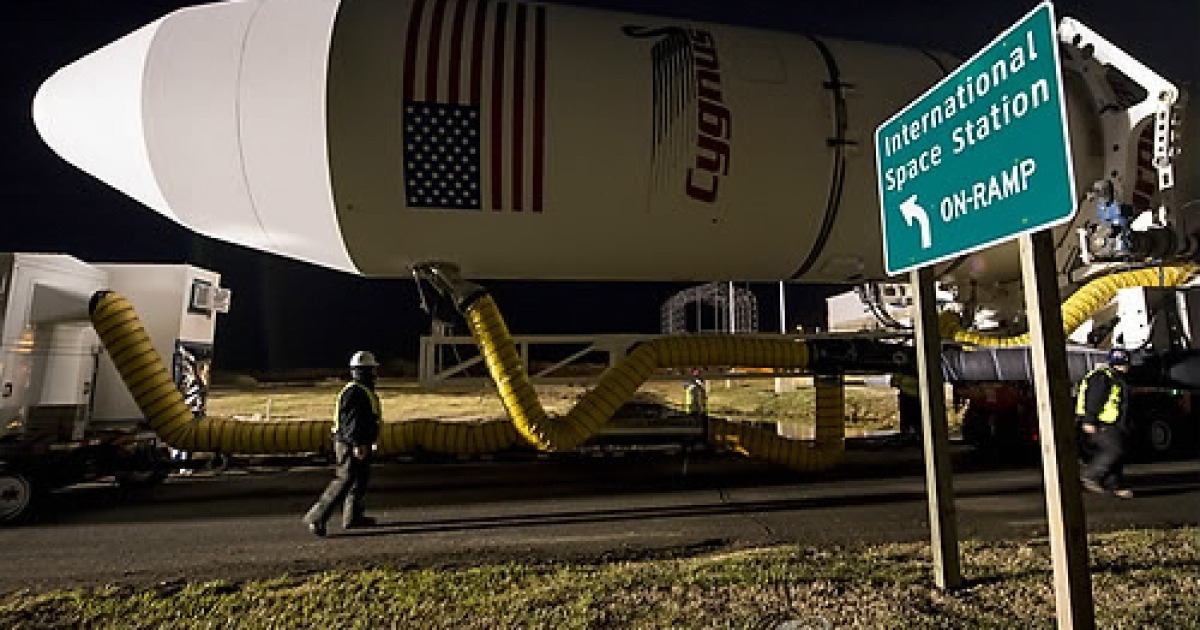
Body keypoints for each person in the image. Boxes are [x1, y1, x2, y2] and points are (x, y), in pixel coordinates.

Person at [303, 350, 383, 536]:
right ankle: (317, 518)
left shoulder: (361, 390)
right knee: (344, 480)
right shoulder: (355, 392)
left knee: (359, 479)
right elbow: (352, 422)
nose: (375, 374)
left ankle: (353, 516)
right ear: (366, 371)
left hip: (356, 442)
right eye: (372, 370)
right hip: (351, 443)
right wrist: (357, 444)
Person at [1076, 347, 1134, 499]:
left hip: (1115, 423)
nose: (1126, 367)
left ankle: (1115, 486)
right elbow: (1094, 400)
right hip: (1104, 423)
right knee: (1114, 450)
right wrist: (1089, 420)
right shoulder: (1102, 378)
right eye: (1122, 364)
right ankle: (1090, 475)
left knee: (1119, 454)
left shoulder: (1117, 378)